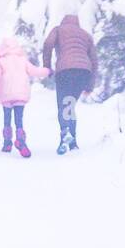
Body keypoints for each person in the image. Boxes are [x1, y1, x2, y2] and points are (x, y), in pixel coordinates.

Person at [0, 37, 52, 158]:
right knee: (19, 119)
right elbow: (35, 71)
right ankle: (21, 140)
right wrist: (47, 71)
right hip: (20, 94)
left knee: (7, 119)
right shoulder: (23, 60)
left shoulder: (1, 62)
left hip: (6, 95)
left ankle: (7, 143)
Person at [42, 13, 98, 155]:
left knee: (64, 105)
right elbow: (94, 62)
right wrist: (90, 85)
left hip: (65, 71)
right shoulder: (86, 35)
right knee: (70, 105)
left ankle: (65, 134)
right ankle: (72, 142)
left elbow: (48, 44)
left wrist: (47, 67)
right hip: (83, 72)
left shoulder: (58, 30)